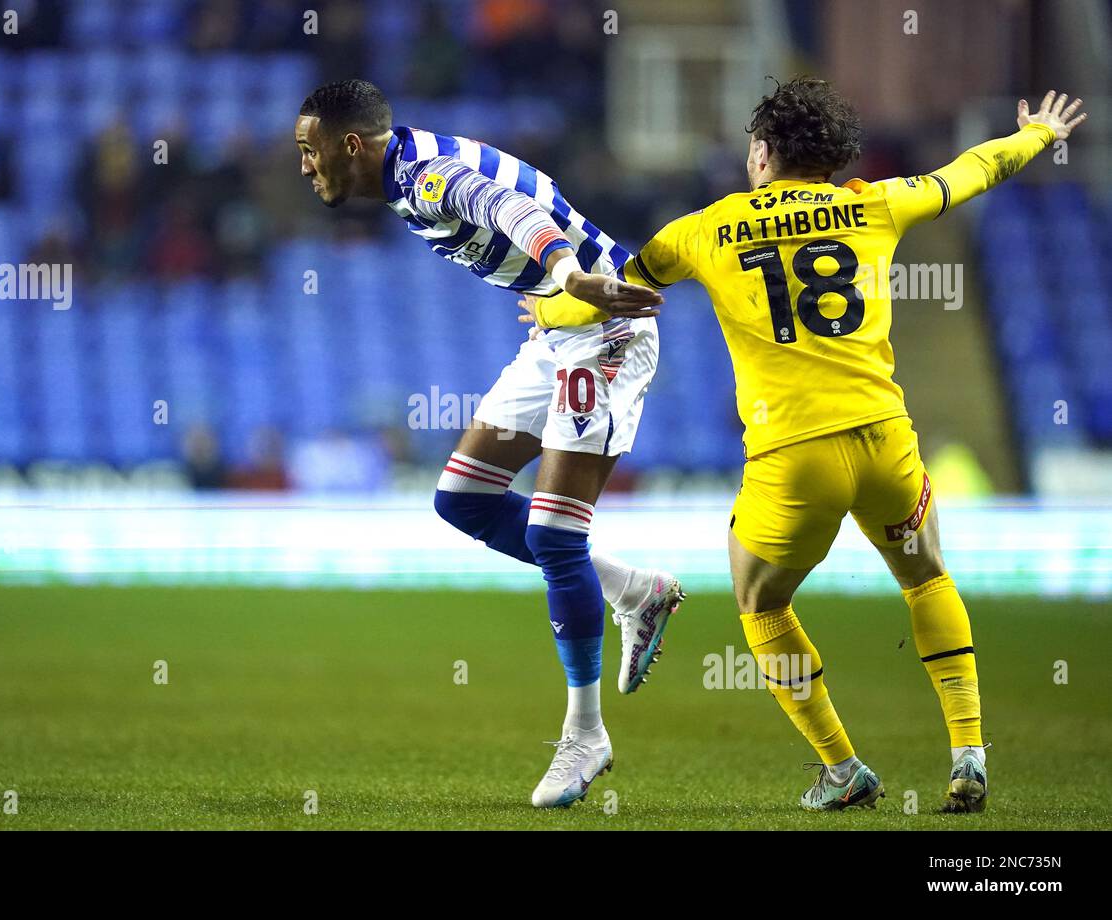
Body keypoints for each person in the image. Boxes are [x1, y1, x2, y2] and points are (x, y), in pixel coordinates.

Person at [523, 79, 1087, 812]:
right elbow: (972, 172)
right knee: (926, 579)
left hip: (795, 457)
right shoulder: (875, 203)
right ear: (830, 156)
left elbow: (612, 289)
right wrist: (1038, 134)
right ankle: (969, 751)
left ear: (761, 152)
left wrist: (546, 309)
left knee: (760, 600)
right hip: (886, 441)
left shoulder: (705, 228)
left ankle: (843, 768)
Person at [295, 79, 684, 807]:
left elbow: (511, 208)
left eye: (309, 151)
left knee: (554, 533)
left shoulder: (425, 176)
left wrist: (568, 276)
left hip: (605, 329)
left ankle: (586, 735)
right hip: (562, 328)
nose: (304, 166)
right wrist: (547, 296)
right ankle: (636, 589)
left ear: (350, 144)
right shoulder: (409, 173)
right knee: (464, 499)